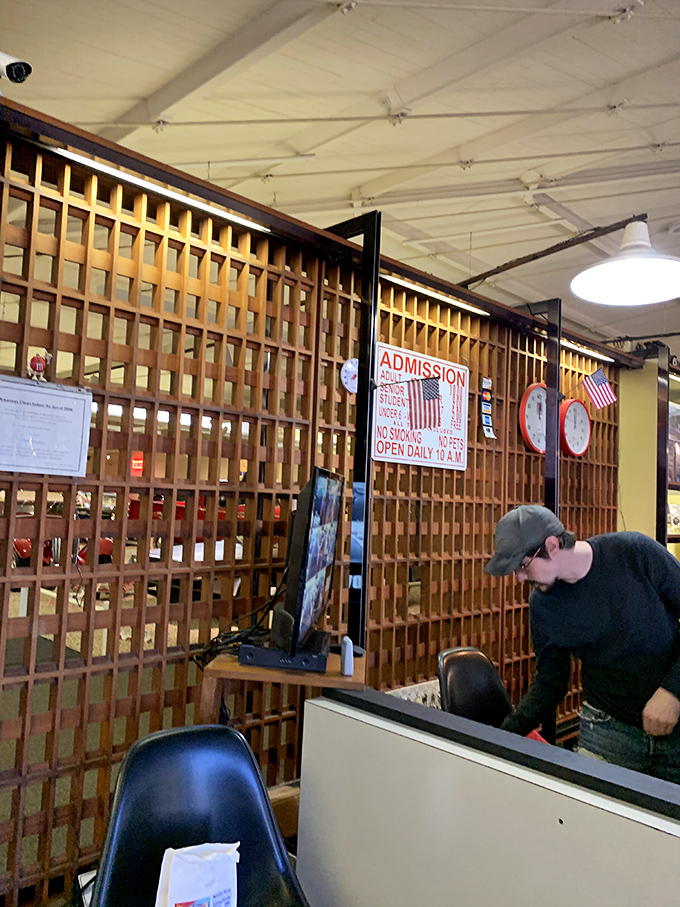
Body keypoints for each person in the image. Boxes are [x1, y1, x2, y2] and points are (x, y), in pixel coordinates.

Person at [485, 504, 680, 783]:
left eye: (523, 566)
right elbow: (551, 682)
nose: (520, 578)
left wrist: (673, 692)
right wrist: (500, 737)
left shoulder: (635, 553)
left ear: (552, 546)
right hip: (608, 727)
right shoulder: (543, 606)